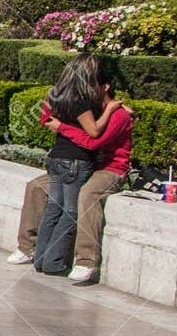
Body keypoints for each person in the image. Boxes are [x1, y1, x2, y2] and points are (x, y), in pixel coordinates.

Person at [9, 56, 130, 284]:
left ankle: (86, 261)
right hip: (76, 164)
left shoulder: (117, 114)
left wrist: (61, 127)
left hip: (108, 169)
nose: (90, 90)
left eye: (95, 85)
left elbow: (93, 141)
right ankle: (29, 248)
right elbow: (47, 118)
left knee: (86, 196)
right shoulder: (86, 104)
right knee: (36, 187)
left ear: (104, 87)